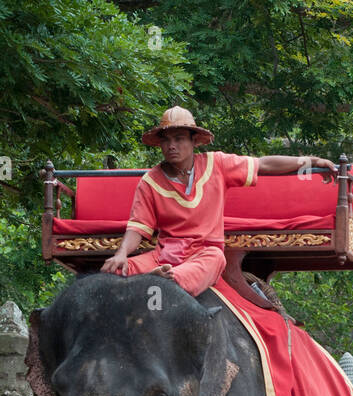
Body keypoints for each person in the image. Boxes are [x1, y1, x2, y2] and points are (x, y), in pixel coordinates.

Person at [101, 107, 338, 298]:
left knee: (212, 260)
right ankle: (155, 278)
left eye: (179, 138)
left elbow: (263, 164)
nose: (171, 145)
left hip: (204, 253)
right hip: (163, 256)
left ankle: (165, 280)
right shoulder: (150, 181)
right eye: (166, 140)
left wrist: (310, 161)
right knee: (117, 272)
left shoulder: (217, 164)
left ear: (194, 141)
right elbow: (138, 227)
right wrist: (121, 254)